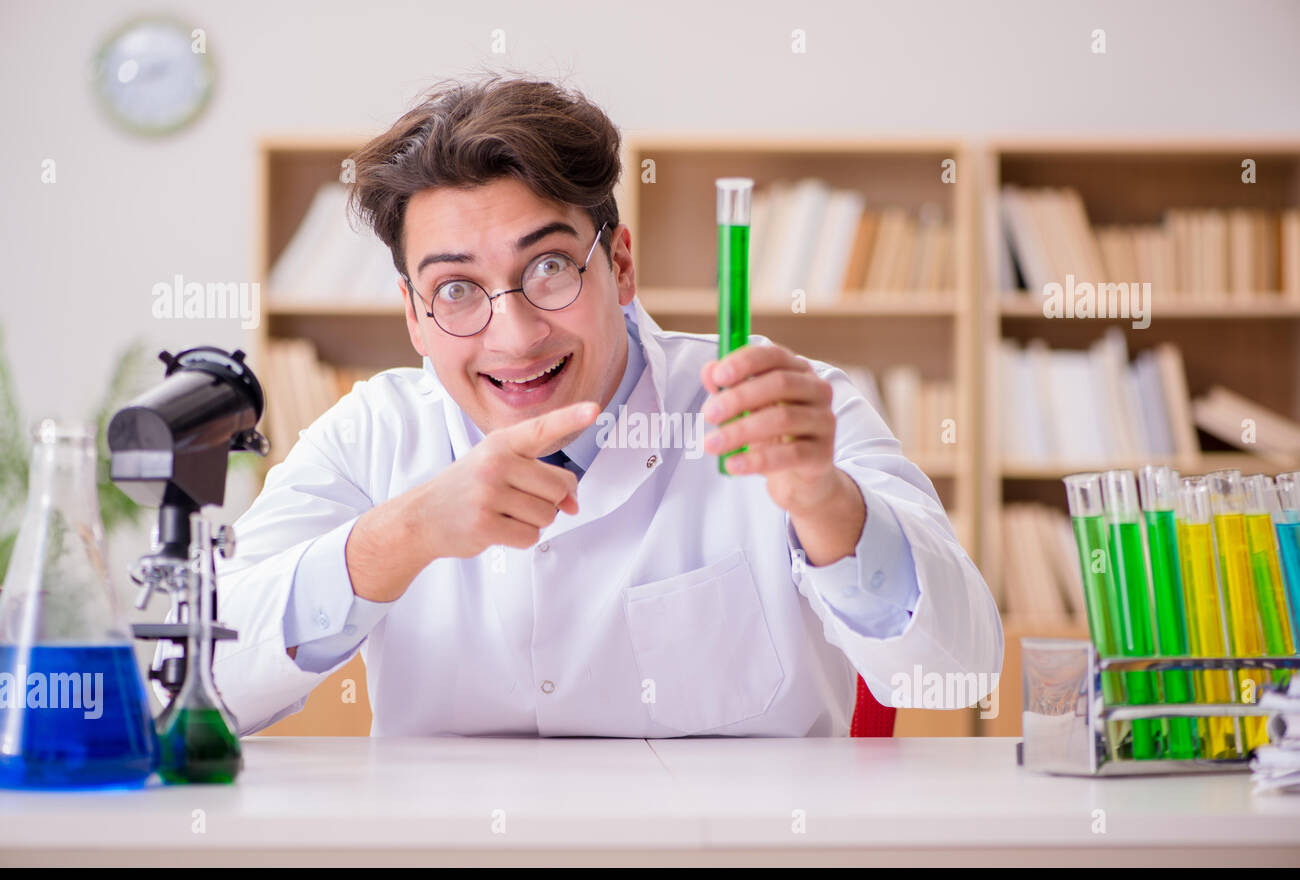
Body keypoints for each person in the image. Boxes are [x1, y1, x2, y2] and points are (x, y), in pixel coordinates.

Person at [211, 74, 1003, 737]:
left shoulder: (787, 408)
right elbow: (199, 688)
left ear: (619, 266)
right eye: (456, 289)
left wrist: (827, 505)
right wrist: (405, 534)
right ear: (414, 313)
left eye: (551, 266)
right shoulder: (373, 436)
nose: (514, 334)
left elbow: (955, 672)